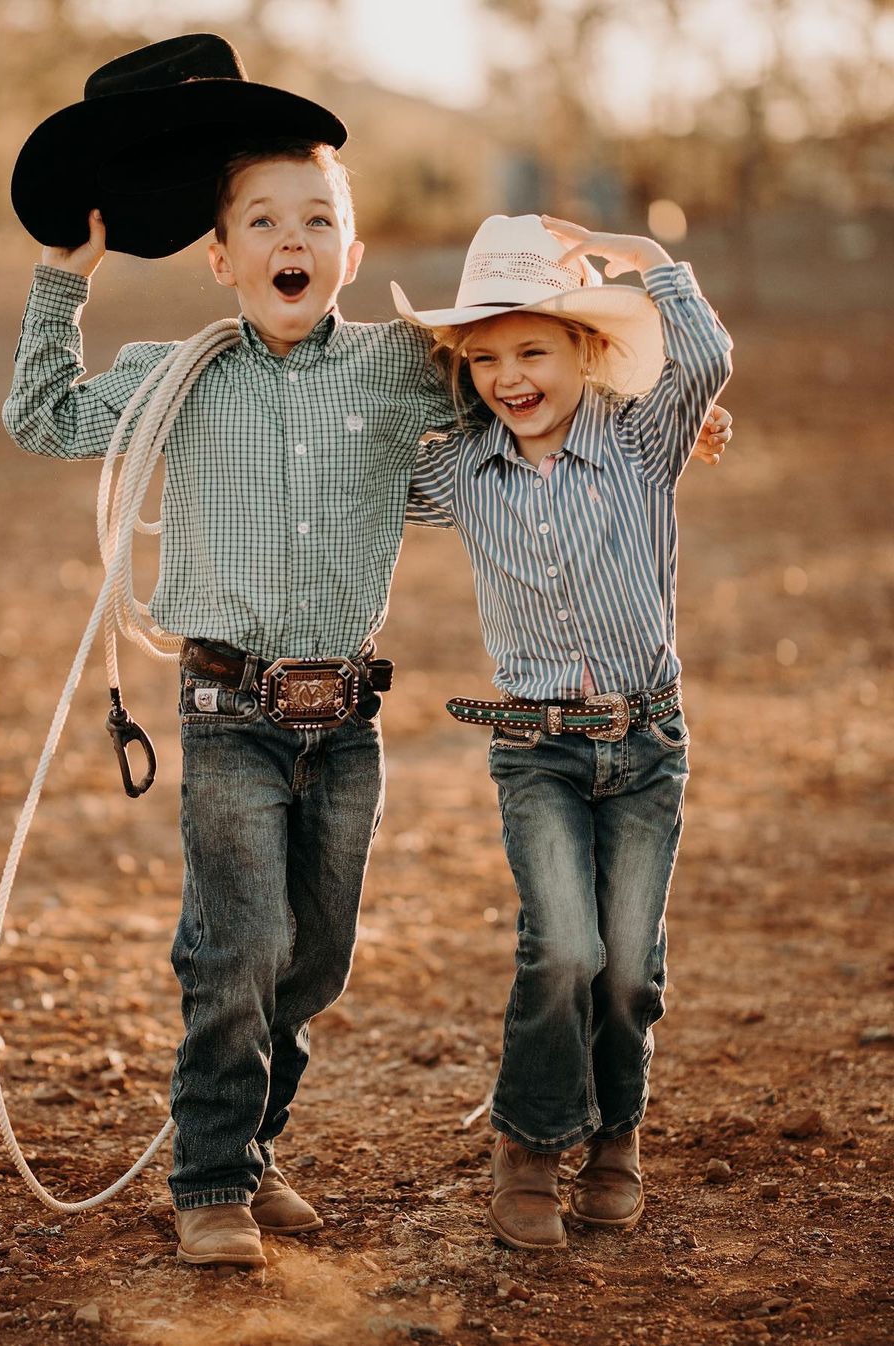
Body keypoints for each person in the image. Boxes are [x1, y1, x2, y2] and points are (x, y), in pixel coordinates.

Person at [5, 32, 732, 1271]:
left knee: (317, 955)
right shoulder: (176, 376)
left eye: (318, 220)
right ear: (221, 255)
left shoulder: (405, 369)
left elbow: (528, 388)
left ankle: (258, 1140)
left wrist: (667, 417)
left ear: (350, 251)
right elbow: (43, 418)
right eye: (263, 222)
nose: (291, 240)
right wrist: (61, 280)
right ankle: (209, 1176)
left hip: (346, 717)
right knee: (236, 947)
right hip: (229, 707)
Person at [394, 213, 734, 1250]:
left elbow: (705, 359)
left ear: (587, 349)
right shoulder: (461, 470)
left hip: (647, 746)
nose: (510, 377)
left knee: (627, 968)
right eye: (484, 358)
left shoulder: (642, 440)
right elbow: (358, 466)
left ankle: (615, 1139)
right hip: (535, 749)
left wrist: (645, 257)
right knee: (563, 950)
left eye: (534, 350)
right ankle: (531, 1142)